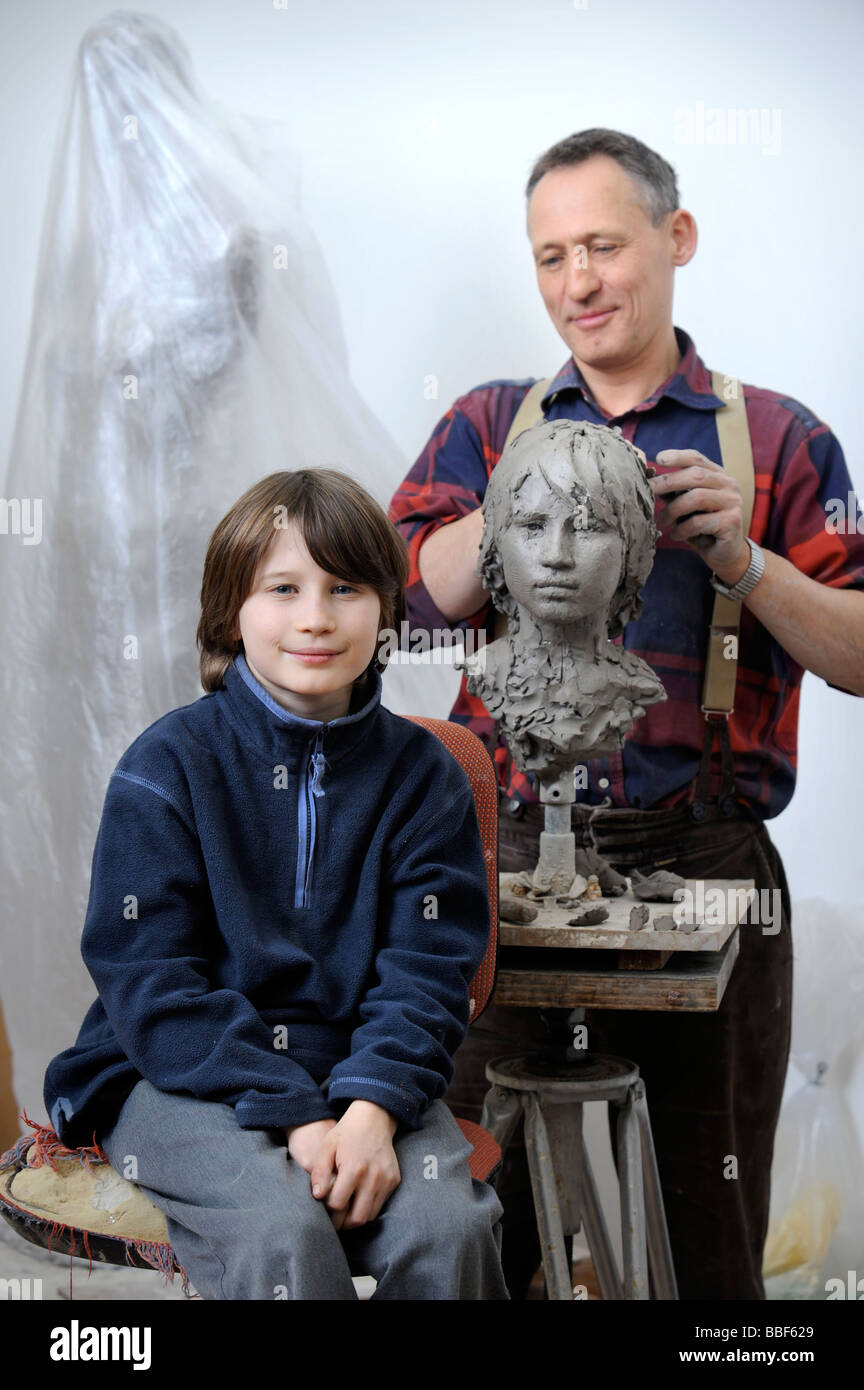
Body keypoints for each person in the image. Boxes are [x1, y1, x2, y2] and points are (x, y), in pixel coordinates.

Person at [388, 127, 864, 1300]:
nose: (577, 283)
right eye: (550, 257)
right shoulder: (490, 422)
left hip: (704, 861)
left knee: (711, 1217)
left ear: (676, 237)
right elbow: (397, 605)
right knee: (468, 1212)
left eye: (602, 244)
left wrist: (748, 559)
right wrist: (516, 499)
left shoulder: (786, 437)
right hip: (491, 862)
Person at [43, 467, 510, 1301]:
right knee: (283, 1229)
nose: (315, 618)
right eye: (282, 588)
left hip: (361, 1069)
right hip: (178, 1073)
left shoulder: (424, 778)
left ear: (387, 612)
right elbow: (149, 983)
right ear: (232, 612)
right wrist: (294, 1113)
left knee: (451, 1226)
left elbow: (429, 971)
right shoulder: (168, 768)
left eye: (346, 588)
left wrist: (369, 1111)